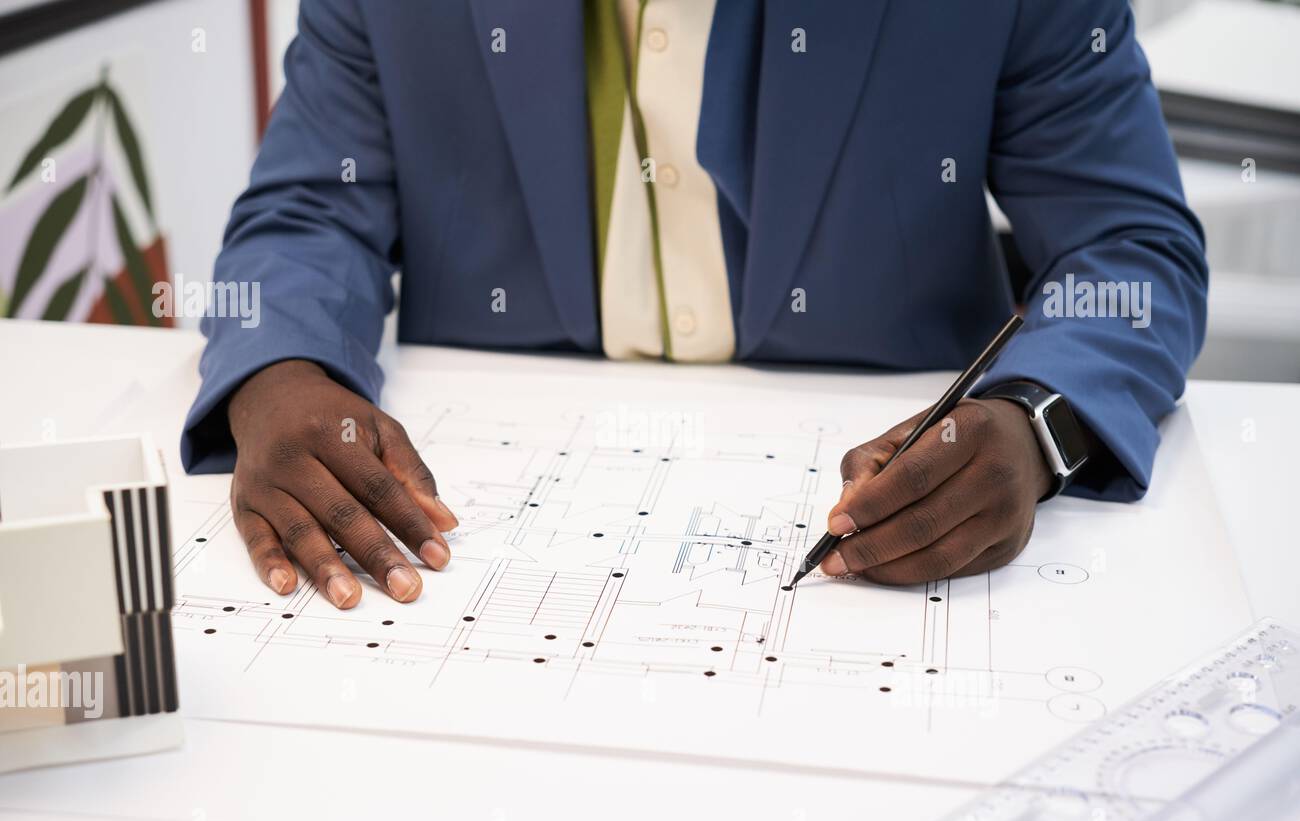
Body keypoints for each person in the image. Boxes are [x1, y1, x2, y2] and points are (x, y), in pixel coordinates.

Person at [183, 0, 1206, 609]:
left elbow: (1128, 249)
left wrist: (1038, 422)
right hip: (491, 532)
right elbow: (309, 209)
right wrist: (278, 370)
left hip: (880, 550)